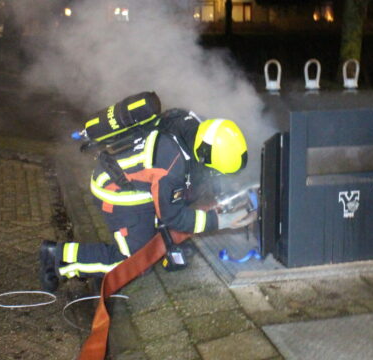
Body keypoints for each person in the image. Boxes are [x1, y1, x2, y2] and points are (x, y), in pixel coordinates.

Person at [39, 110, 256, 292]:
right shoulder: (171, 167)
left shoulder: (195, 126)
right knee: (132, 262)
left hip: (137, 182)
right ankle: (58, 259)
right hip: (117, 192)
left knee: (158, 225)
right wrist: (220, 221)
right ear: (204, 154)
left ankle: (97, 263)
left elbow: (194, 180)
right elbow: (173, 216)